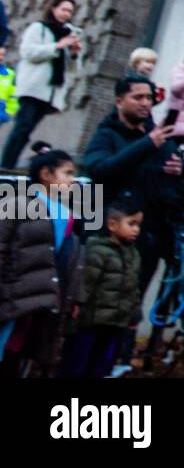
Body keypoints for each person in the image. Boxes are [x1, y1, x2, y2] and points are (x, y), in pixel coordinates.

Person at [82, 75, 184, 295]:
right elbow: (99, 170)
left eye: (149, 98)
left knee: (132, 306)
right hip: (112, 237)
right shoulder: (107, 133)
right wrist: (147, 144)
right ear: (119, 101)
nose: (146, 103)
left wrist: (180, 169)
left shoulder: (158, 134)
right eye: (138, 97)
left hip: (150, 237)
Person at [0, 149, 84, 377]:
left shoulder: (68, 218)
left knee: (17, 358)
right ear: (46, 174)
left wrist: (73, 297)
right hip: (13, 298)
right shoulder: (18, 205)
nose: (73, 180)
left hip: (41, 306)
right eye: (67, 173)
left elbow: (70, 263)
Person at [58, 197, 143, 378]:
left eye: (138, 225)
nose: (136, 229)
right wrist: (76, 306)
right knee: (77, 363)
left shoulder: (133, 253)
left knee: (101, 365)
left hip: (115, 323)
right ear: (112, 225)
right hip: (91, 322)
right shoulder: (98, 250)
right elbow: (86, 283)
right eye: (131, 223)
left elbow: (132, 288)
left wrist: (134, 315)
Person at [1, 0, 84, 170]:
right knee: (22, 128)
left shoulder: (68, 34)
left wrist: (75, 53)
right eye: (63, 9)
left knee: (27, 130)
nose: (66, 14)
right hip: (32, 88)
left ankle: (10, 164)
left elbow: (72, 69)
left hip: (50, 92)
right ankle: (6, 165)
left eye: (70, 11)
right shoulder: (39, 28)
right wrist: (57, 46)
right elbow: (28, 52)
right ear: (53, 9)